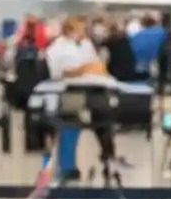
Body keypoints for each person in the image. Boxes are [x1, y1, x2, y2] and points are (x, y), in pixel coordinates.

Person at [46, 16, 127, 169]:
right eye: (81, 29)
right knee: (70, 123)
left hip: (93, 87)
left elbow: (97, 65)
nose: (84, 33)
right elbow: (59, 73)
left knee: (104, 116)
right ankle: (67, 165)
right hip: (71, 90)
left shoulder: (85, 44)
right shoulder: (57, 48)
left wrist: (91, 69)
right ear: (70, 30)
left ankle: (108, 155)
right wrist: (82, 70)